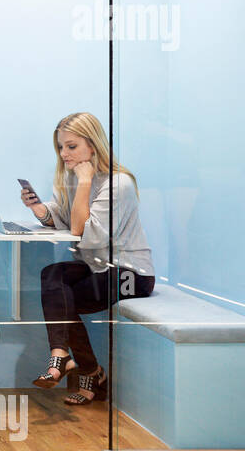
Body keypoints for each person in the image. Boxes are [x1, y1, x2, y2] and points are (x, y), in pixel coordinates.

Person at [21, 112, 156, 405]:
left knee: (62, 298)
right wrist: (41, 212)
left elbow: (83, 231)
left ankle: (85, 370)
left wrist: (84, 182)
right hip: (98, 267)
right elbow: (69, 216)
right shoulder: (76, 178)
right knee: (52, 275)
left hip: (132, 273)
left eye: (71, 146)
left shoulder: (118, 184)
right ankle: (64, 355)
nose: (63, 154)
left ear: (92, 146)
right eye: (60, 147)